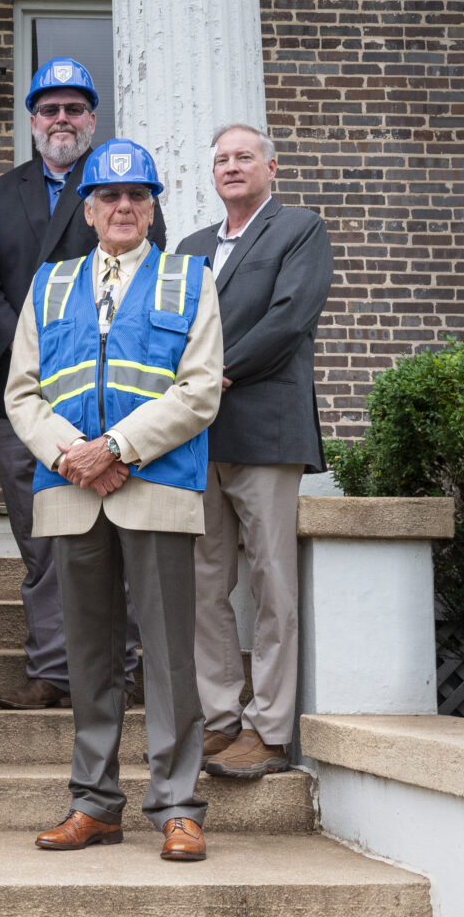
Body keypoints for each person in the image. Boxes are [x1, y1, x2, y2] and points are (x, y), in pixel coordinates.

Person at [5, 139, 222, 863]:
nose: (123, 207)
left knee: (167, 657)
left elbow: (199, 390)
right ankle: (93, 803)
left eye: (137, 196)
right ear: (90, 211)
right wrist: (76, 453)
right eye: (109, 198)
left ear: (153, 208)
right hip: (72, 491)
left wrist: (117, 448)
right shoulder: (50, 284)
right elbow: (22, 393)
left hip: (153, 487)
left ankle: (177, 805)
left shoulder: (188, 279)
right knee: (88, 658)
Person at [0, 59, 161, 711]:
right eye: (49, 110)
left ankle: (125, 670)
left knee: (119, 536)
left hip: (109, 397)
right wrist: (32, 351)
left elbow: (143, 276)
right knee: (42, 540)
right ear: (31, 121)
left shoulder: (119, 190)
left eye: (74, 110)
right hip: (21, 399)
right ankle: (51, 669)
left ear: (92, 120)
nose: (61, 120)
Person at [176, 123, 333, 778]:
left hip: (266, 432)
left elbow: (290, 318)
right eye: (221, 160)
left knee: (273, 585)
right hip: (198, 439)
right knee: (203, 585)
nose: (232, 167)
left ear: (271, 166)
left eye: (244, 157)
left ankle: (268, 731)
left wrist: (211, 375)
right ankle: (219, 719)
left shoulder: (298, 229)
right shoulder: (189, 247)